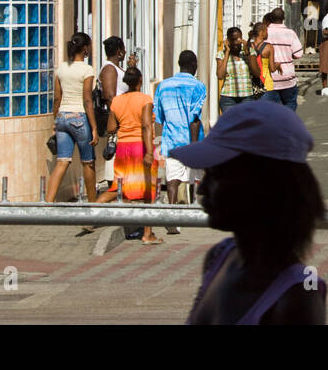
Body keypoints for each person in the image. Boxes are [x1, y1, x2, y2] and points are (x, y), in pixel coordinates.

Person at [174, 101, 328, 324]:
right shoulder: (219, 257)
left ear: (260, 184)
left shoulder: (298, 297)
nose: (202, 188)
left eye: (216, 175)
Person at [98, 66, 160, 244]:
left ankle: (90, 211)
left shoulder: (117, 101)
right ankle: (147, 234)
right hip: (140, 147)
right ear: (140, 81)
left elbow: (110, 128)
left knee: (119, 186)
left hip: (123, 148)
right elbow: (147, 126)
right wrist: (149, 152)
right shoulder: (145, 100)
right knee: (149, 190)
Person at [153, 50, 206, 221]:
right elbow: (195, 118)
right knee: (195, 177)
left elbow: (159, 117)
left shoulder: (163, 86)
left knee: (172, 179)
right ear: (194, 65)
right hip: (191, 139)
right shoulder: (198, 86)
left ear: (179, 63)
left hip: (171, 138)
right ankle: (194, 211)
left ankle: (172, 215)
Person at [46, 32, 98, 203]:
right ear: (85, 48)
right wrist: (94, 127)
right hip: (79, 118)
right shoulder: (87, 70)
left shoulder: (61, 68)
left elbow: (57, 98)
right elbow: (87, 100)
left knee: (62, 161)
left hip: (62, 117)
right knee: (88, 162)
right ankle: (92, 207)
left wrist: (56, 121)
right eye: (88, 46)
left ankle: (46, 204)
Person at [94, 35, 128, 189]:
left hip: (122, 115)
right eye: (124, 49)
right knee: (114, 149)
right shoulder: (109, 68)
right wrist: (118, 117)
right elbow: (109, 95)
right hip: (116, 117)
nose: (126, 52)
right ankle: (113, 187)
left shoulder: (116, 68)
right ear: (119, 51)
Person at [265, 8, 302, 112]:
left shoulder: (265, 33)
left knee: (272, 110)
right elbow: (298, 54)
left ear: (271, 18)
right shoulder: (290, 33)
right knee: (290, 104)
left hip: (270, 78)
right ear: (284, 18)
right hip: (288, 78)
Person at [217, 27, 251, 114]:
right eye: (233, 40)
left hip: (247, 97)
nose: (236, 43)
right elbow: (220, 75)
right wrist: (227, 52)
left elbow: (256, 72)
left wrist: (247, 51)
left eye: (238, 39)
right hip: (228, 98)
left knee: (246, 126)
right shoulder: (222, 54)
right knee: (231, 126)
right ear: (228, 40)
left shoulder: (248, 53)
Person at [247, 22, 274, 101]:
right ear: (261, 33)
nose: (267, 34)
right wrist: (278, 65)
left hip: (251, 85)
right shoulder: (269, 47)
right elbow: (272, 69)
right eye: (266, 31)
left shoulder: (248, 46)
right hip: (266, 84)